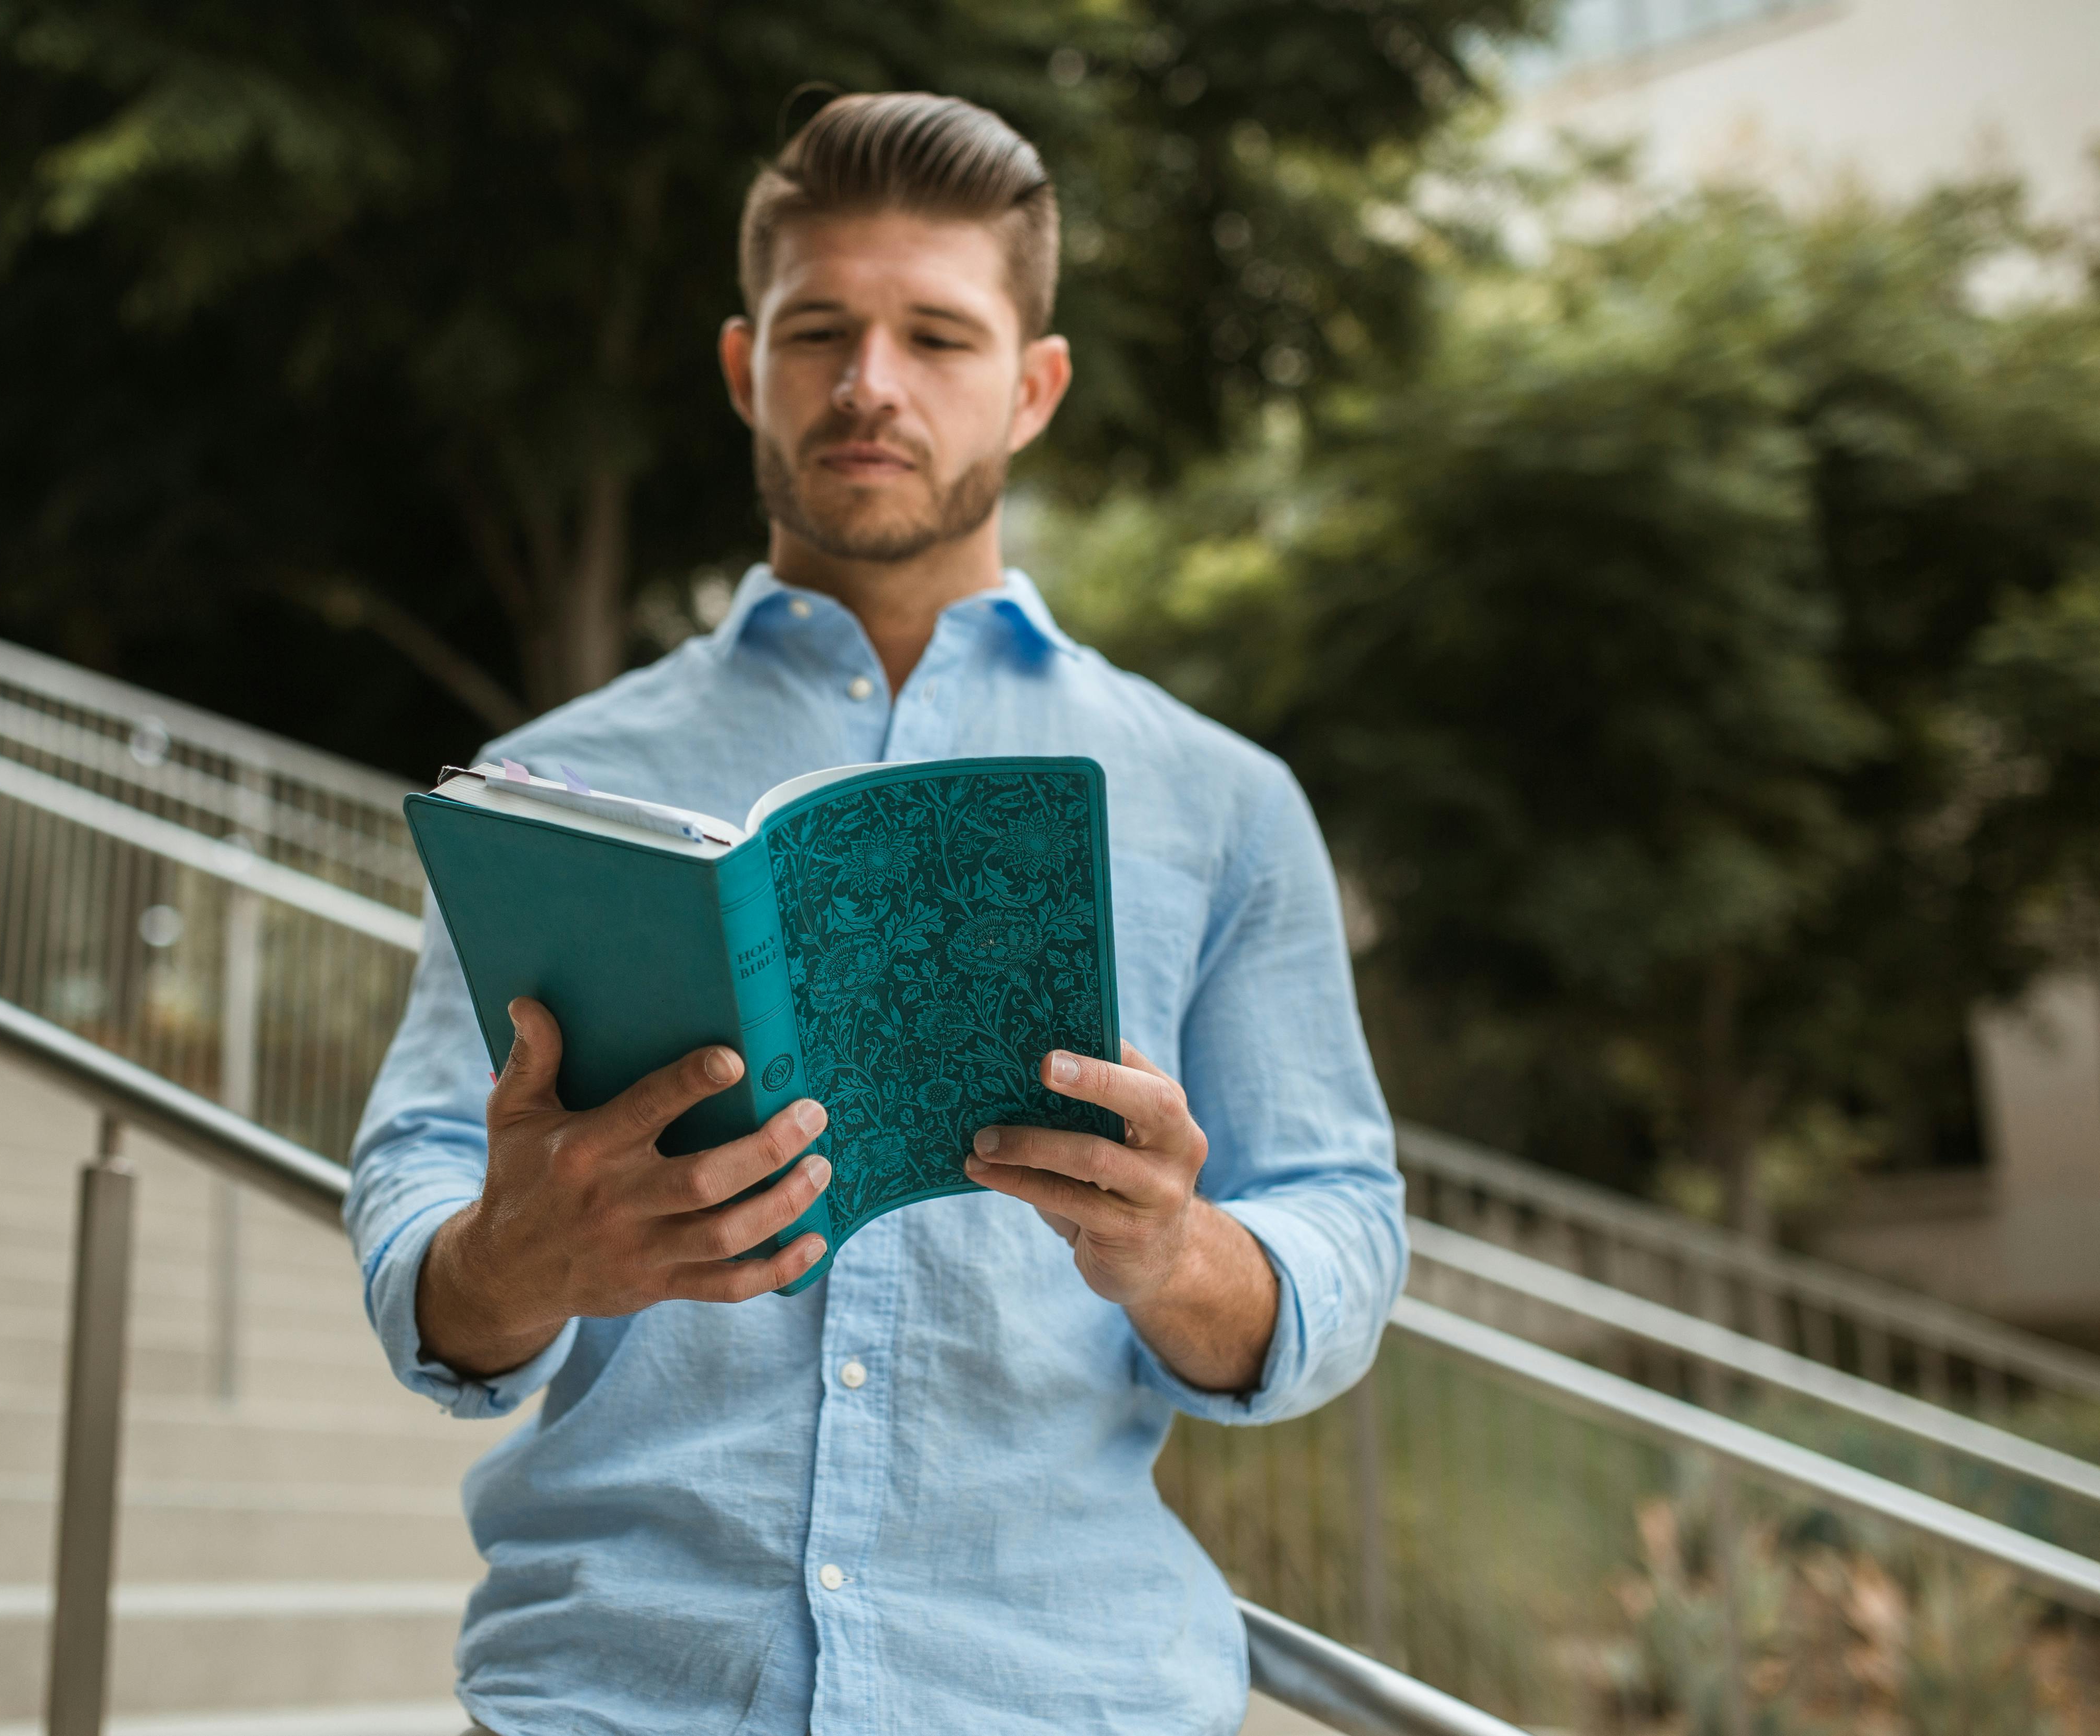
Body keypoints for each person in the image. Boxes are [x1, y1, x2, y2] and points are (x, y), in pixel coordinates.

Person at [347, 91, 1405, 1736]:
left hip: (1063, 1693)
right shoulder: (547, 785)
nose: (870, 383)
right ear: (740, 364)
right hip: (616, 1692)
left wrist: (1179, 1252)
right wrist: (512, 1253)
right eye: (819, 329)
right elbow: (418, 1183)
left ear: (1034, 385)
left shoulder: (1223, 800)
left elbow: (1343, 1217)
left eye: (938, 335)